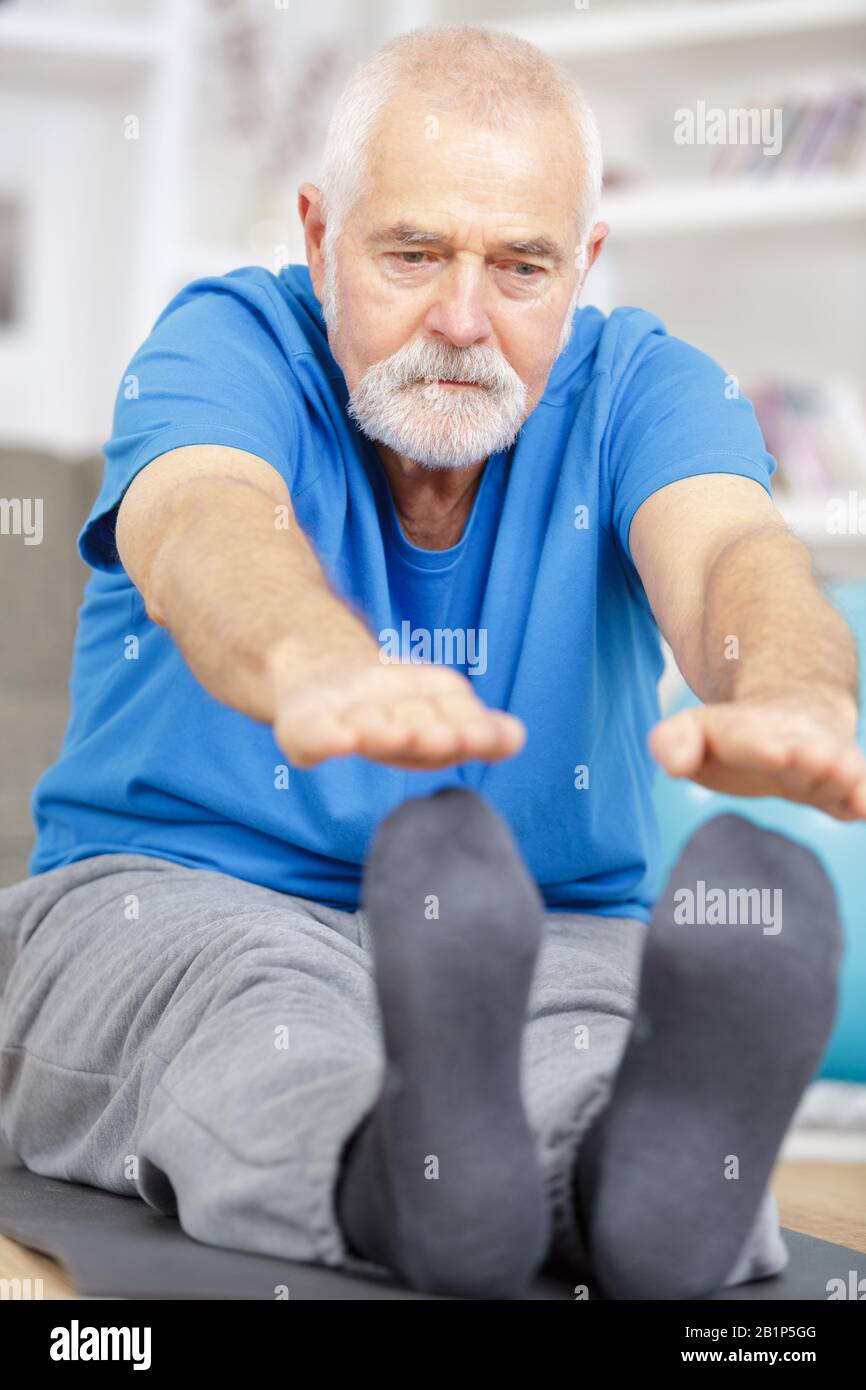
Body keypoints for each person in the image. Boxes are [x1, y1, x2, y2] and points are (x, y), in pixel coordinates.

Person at [0, 26, 859, 1300]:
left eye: (520, 266)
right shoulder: (220, 344)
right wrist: (310, 659)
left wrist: (789, 689)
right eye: (411, 253)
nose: (461, 319)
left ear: (585, 266)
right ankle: (416, 1175)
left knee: (585, 1026)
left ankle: (632, 1182)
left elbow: (728, 544)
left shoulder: (643, 385)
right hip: (175, 890)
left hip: (547, 919)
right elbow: (202, 522)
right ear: (317, 233)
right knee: (253, 1007)